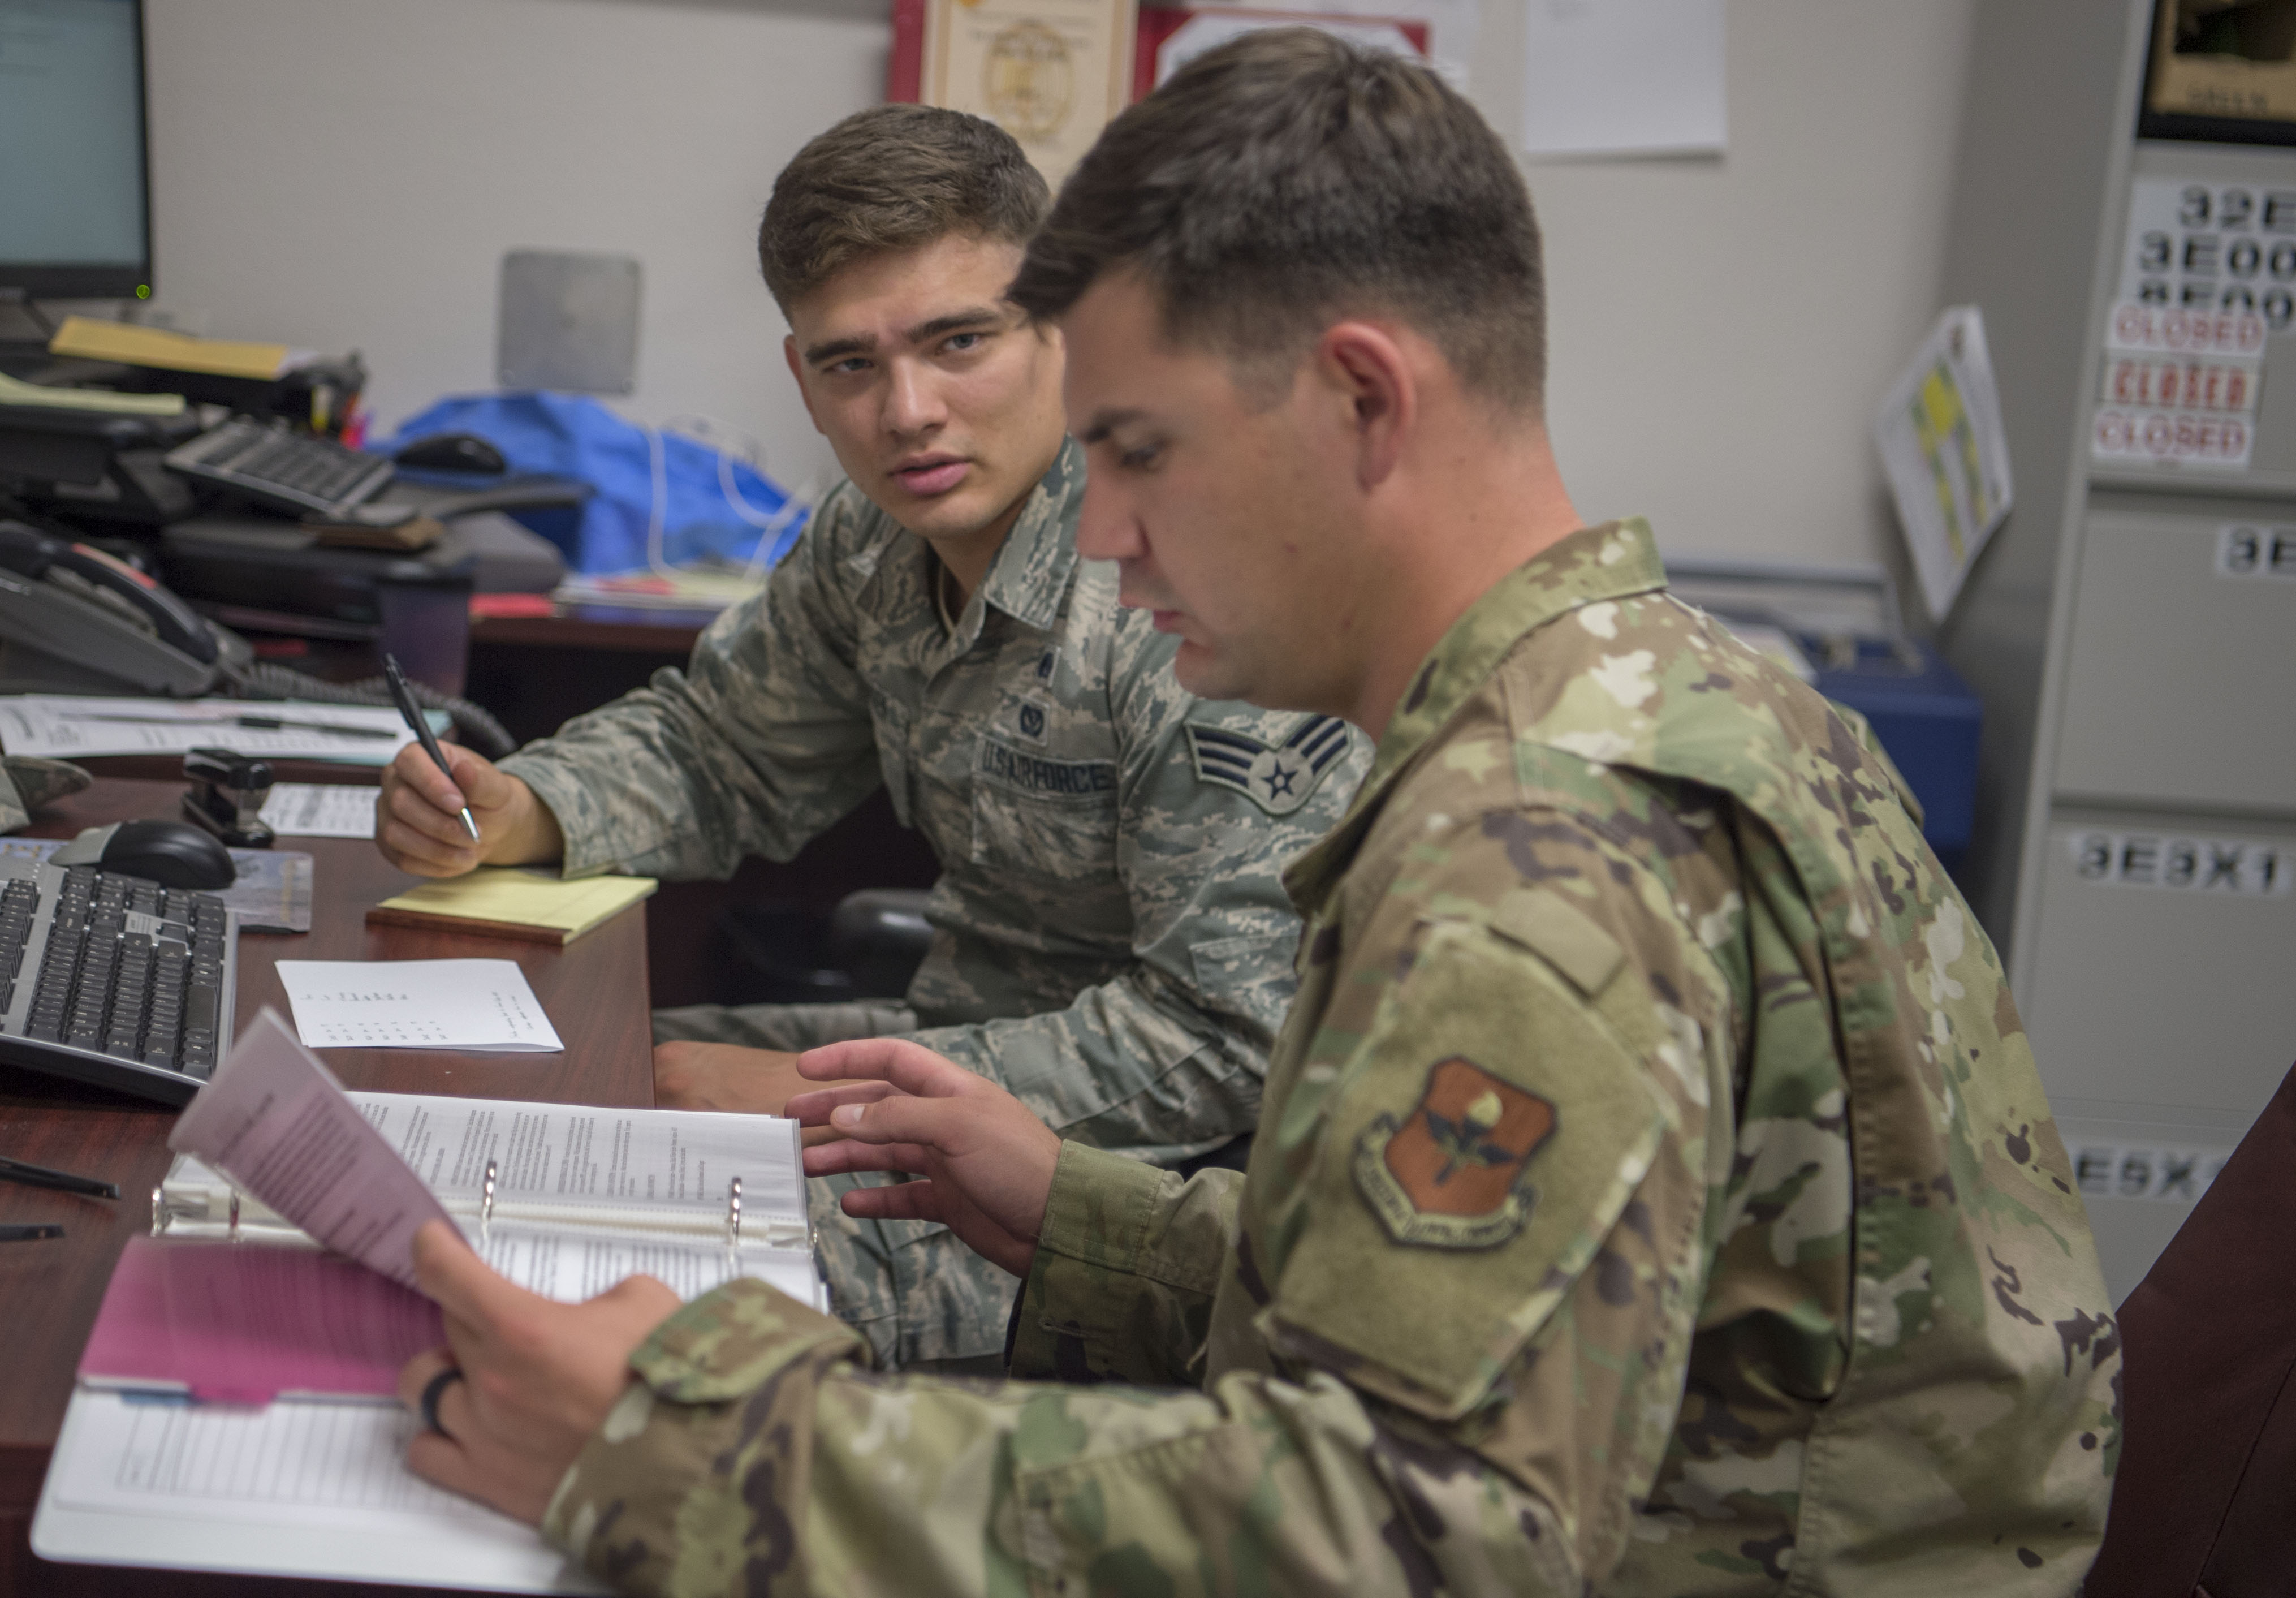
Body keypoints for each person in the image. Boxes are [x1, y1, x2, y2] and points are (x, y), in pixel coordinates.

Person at [395, 31, 2122, 1595]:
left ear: (1363, 402)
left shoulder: (1538, 851)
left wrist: (687, 1451)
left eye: (1140, 450)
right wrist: (1085, 1217)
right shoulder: (1629, 689)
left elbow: (1408, 1529)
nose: (1109, 528)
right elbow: (1437, 1330)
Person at [374, 104, 1366, 1373]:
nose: (907, 412)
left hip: (1137, 1181)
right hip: (949, 1053)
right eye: (851, 364)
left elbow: (1226, 1041)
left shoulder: (1184, 580)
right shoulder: (875, 537)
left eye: (960, 342)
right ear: (801, 374)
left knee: (567, 1275)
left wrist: (818, 1100)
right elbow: (723, 744)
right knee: (530, 1099)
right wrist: (531, 805)